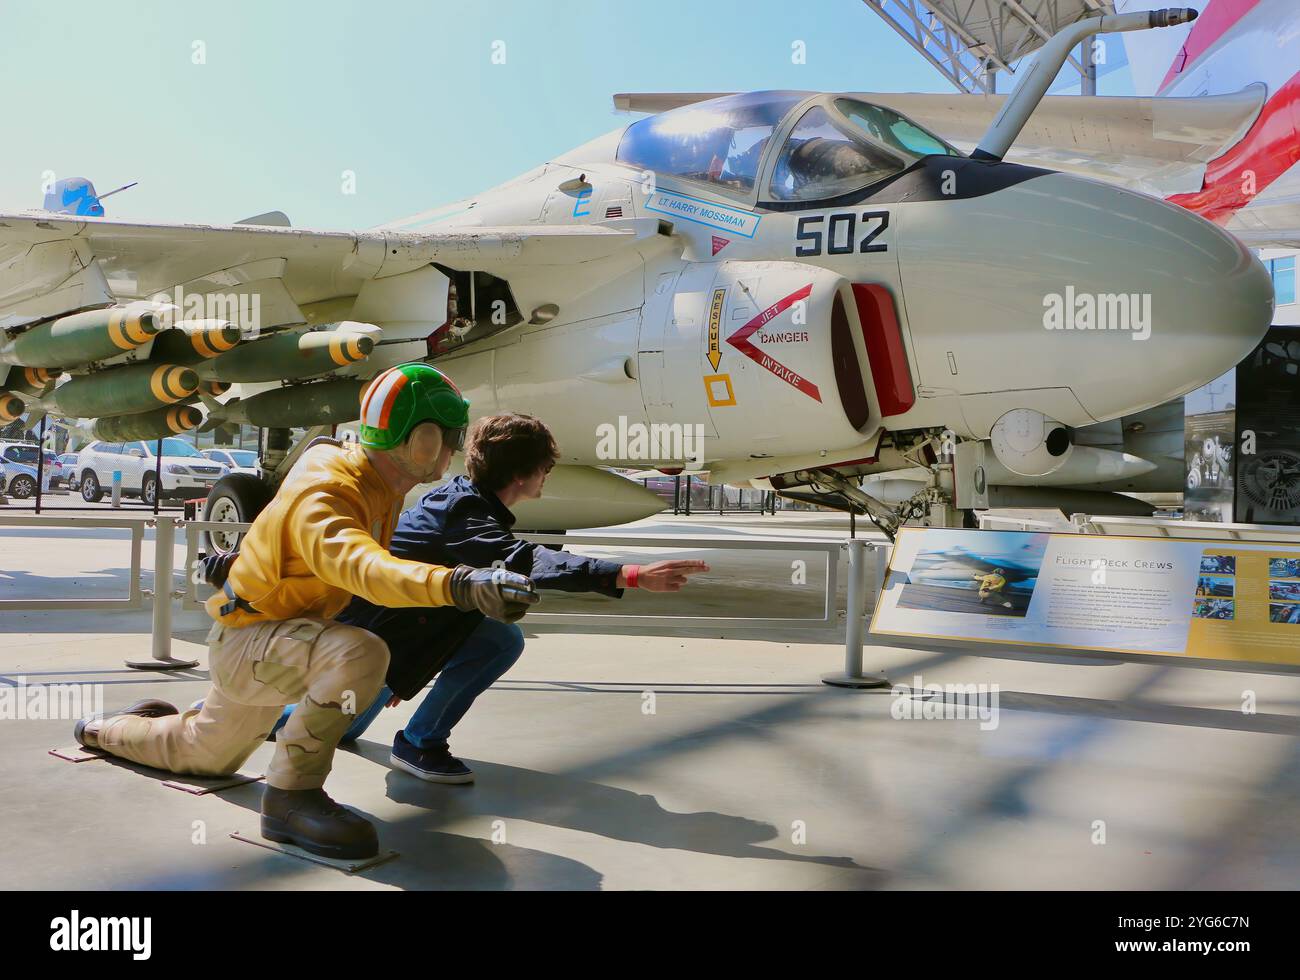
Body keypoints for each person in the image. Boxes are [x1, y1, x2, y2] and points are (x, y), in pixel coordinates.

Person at [73, 364, 538, 860]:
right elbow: (361, 566)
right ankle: (291, 799)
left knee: (199, 753)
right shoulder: (331, 491)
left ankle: (103, 729)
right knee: (359, 653)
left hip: (273, 638)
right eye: (450, 437)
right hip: (255, 641)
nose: (454, 450)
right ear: (422, 440)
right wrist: (460, 584)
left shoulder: (375, 482)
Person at [266, 412, 709, 784]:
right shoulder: (462, 512)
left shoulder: (468, 502)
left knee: (500, 639)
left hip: (408, 633)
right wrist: (630, 574)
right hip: (381, 641)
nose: (547, 475)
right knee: (323, 724)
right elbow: (522, 559)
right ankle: (254, 713)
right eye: (544, 468)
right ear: (521, 474)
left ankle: (420, 740)